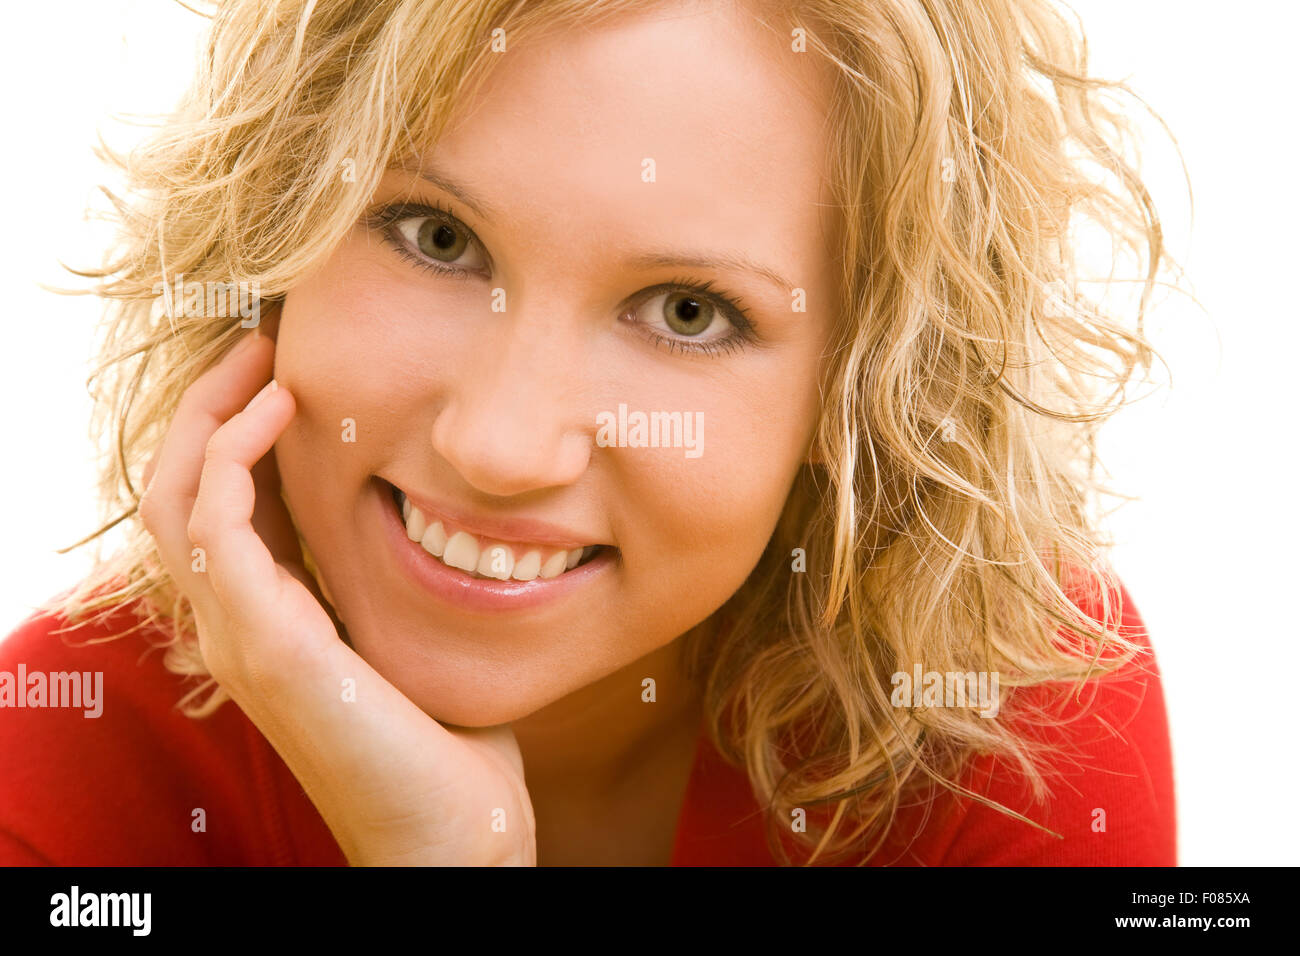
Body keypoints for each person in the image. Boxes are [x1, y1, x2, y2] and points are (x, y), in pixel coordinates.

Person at [0, 0, 1178, 866]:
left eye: (686, 312)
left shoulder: (1018, 718)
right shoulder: (62, 754)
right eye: (436, 237)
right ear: (274, 231)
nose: (503, 445)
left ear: (861, 392)